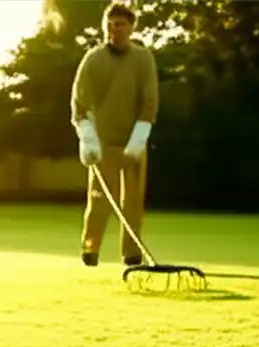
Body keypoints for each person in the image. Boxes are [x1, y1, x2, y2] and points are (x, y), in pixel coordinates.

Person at [70, 2, 159, 267]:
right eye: (110, 24)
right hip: (103, 142)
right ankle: (90, 249)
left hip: (133, 140)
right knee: (99, 200)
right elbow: (79, 102)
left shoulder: (143, 59)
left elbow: (150, 100)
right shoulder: (94, 59)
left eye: (120, 24)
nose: (114, 29)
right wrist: (87, 138)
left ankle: (131, 253)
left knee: (133, 201)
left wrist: (139, 137)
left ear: (131, 27)